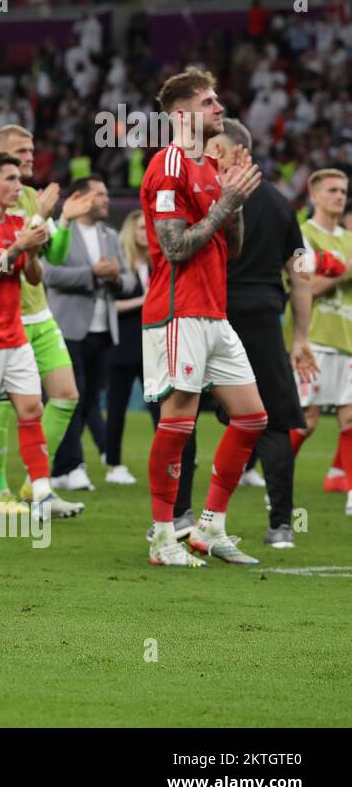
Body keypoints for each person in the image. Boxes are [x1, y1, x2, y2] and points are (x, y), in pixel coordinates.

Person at [139, 70, 269, 567]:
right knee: (177, 426)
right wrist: (224, 206)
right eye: (209, 101)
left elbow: (230, 248)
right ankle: (162, 537)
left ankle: (209, 527)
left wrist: (235, 204)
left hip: (214, 310)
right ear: (181, 114)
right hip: (179, 310)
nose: (220, 108)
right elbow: (174, 248)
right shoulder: (168, 165)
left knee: (252, 417)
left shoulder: (211, 168)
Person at [201, 118, 313, 549]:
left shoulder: (204, 195)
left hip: (205, 313)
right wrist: (300, 337)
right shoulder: (282, 204)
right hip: (262, 318)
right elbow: (300, 274)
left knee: (178, 414)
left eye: (210, 148)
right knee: (273, 420)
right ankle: (281, 525)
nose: (203, 155)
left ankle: (176, 518)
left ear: (230, 151)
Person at [0, 153, 86, 521]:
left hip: (15, 335)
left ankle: (41, 491)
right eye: (11, 179)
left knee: (32, 409)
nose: (19, 186)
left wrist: (29, 250)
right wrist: (17, 247)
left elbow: (33, 277)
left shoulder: (18, 221)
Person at [43, 176, 138, 485]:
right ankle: (72, 467)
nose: (107, 199)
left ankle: (62, 468)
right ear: (81, 198)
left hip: (104, 329)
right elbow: (48, 274)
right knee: (71, 397)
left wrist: (115, 278)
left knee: (89, 400)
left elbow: (130, 281)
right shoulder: (59, 231)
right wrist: (92, 273)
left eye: (107, 194)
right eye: (100, 194)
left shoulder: (110, 235)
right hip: (68, 327)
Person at [292, 167, 352, 517]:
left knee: (350, 418)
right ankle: (278, 482)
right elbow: (305, 287)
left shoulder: (349, 239)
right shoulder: (301, 237)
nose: (339, 196)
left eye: (343, 191)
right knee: (307, 420)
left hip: (347, 339)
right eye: (332, 190)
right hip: (313, 340)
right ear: (314, 196)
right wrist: (343, 272)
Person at [106, 210, 159, 484]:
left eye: (147, 228)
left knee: (158, 406)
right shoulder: (120, 265)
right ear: (130, 231)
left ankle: (167, 458)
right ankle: (113, 464)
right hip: (123, 345)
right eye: (140, 228)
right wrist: (145, 300)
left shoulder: (156, 263)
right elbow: (111, 306)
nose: (145, 233)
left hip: (152, 346)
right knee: (116, 408)